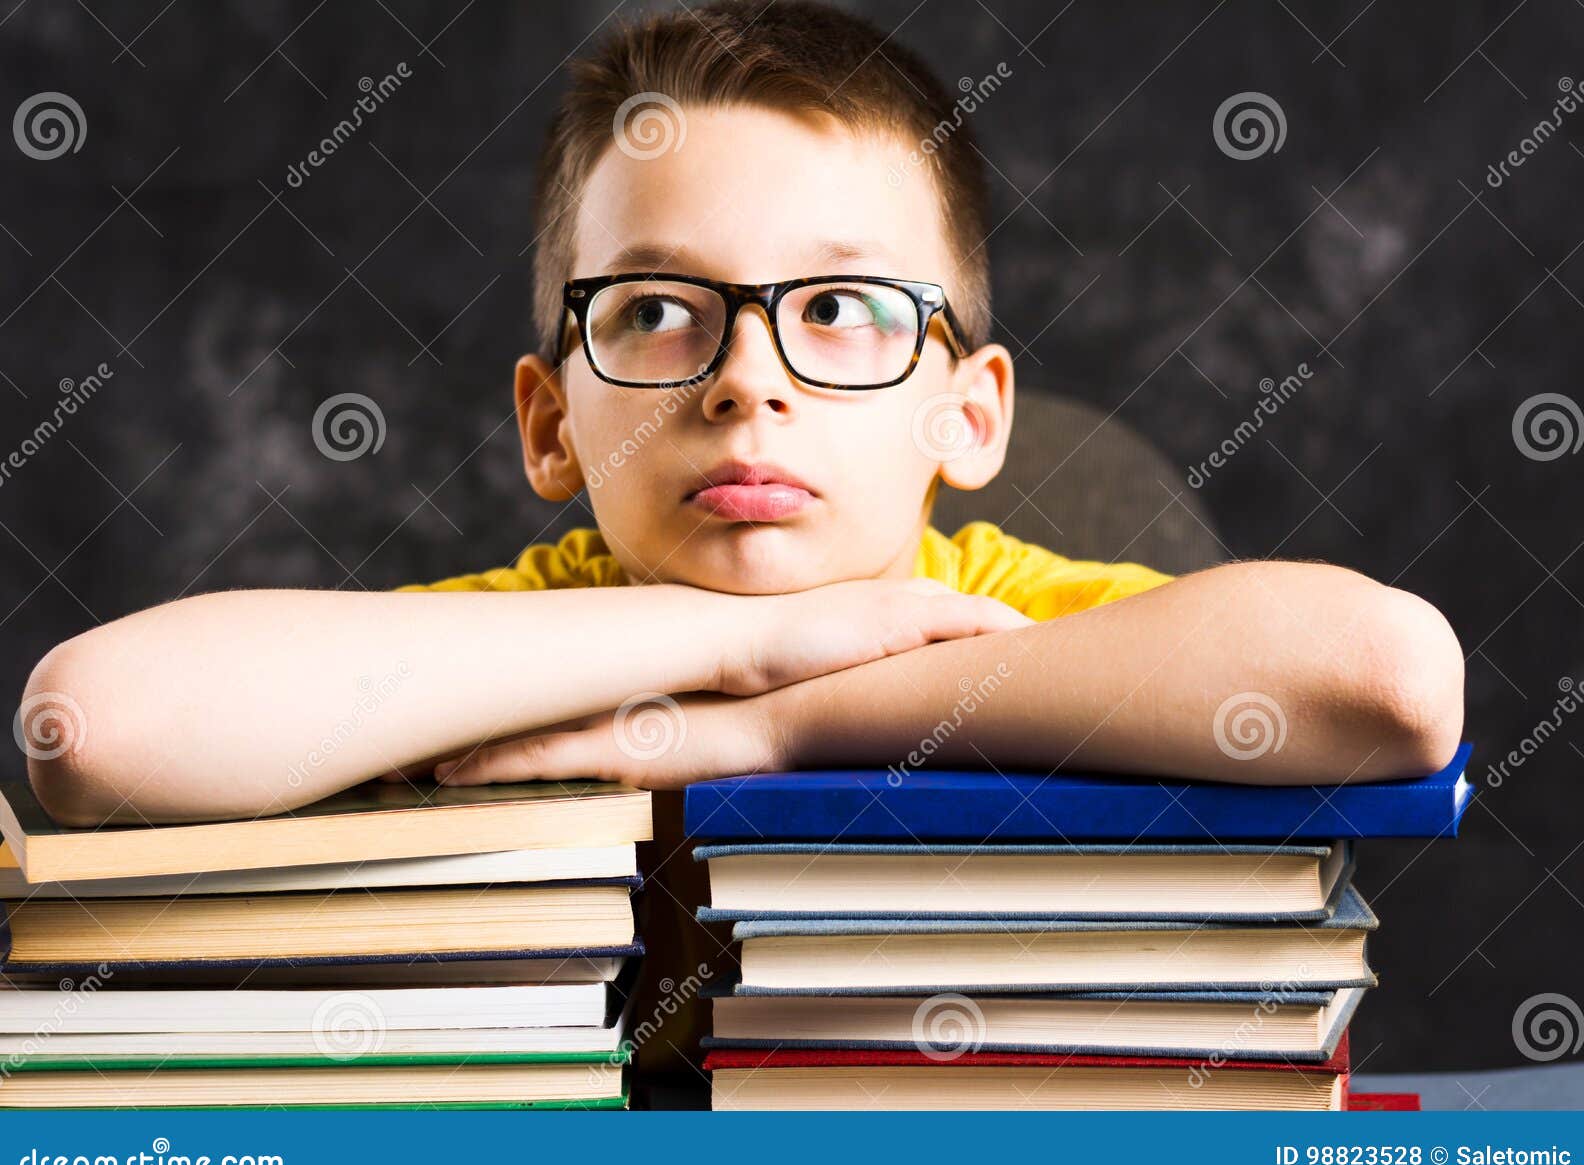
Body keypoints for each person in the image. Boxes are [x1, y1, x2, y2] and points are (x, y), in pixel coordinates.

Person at [22, 0, 1463, 831]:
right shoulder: (508, 647)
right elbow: (90, 730)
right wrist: (742, 640)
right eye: (655, 310)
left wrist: (782, 724)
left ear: (969, 415)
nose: (746, 379)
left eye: (840, 309)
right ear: (552, 425)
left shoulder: (1003, 619)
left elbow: (1390, 683)